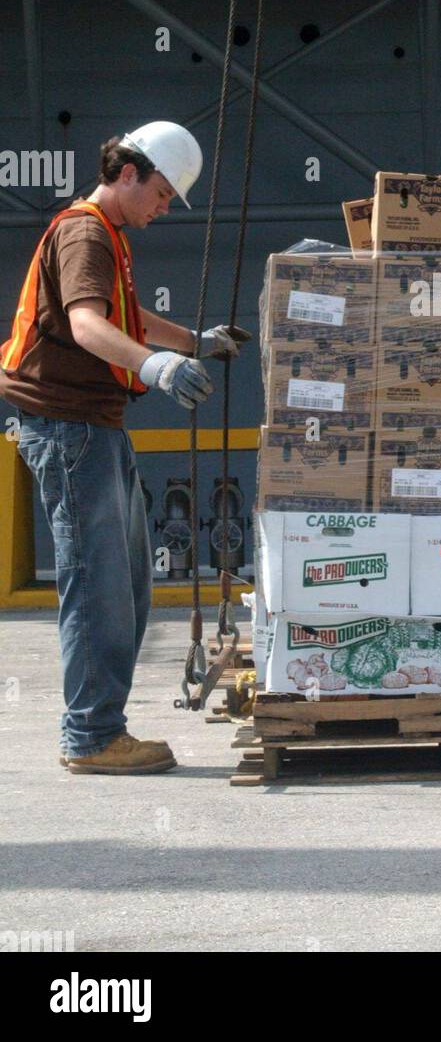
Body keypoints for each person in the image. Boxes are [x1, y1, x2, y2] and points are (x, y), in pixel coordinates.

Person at [0, 123, 249, 775]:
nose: (163, 209)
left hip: (91, 425)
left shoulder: (108, 237)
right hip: (68, 426)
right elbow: (87, 326)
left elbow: (127, 318)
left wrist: (192, 341)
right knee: (96, 585)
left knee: (128, 581)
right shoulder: (86, 232)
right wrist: (155, 368)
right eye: (162, 194)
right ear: (129, 172)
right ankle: (90, 735)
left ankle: (98, 726)